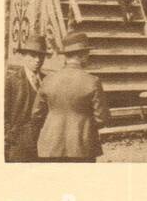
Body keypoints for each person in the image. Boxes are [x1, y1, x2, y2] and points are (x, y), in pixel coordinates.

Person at [33, 32, 110, 162]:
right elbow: (102, 118)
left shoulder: (48, 79)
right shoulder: (92, 81)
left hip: (50, 145)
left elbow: (36, 114)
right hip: (82, 146)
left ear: (66, 56)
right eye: (87, 53)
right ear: (82, 55)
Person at [5, 34, 47, 162]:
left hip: (42, 142)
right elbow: (4, 113)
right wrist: (9, 138)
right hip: (18, 144)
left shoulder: (47, 80)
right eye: (33, 56)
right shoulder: (12, 81)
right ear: (24, 56)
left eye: (41, 56)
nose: (38, 60)